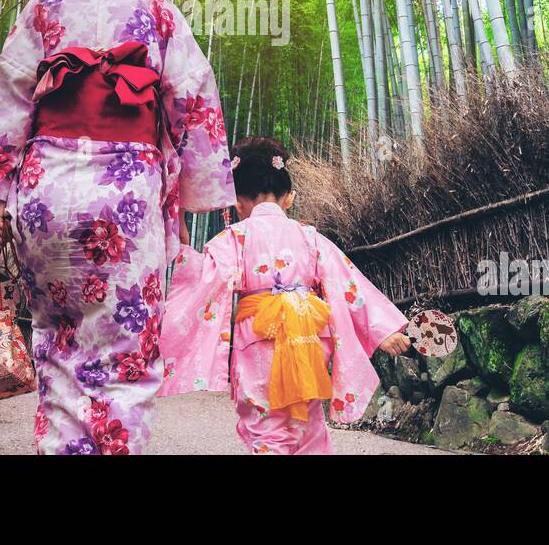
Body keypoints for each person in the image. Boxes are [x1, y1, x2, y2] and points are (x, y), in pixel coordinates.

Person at [0, 0, 234, 454]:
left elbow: (7, 96)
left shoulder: (44, 8)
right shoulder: (157, 12)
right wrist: (200, 188)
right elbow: (193, 100)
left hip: (44, 192)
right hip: (125, 196)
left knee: (56, 342)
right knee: (125, 350)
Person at [158, 137, 409, 454]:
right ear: (289, 198)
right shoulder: (309, 237)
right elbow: (346, 283)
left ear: (238, 203)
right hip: (308, 340)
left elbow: (204, 279)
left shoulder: (234, 237)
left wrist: (180, 234)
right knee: (308, 426)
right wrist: (382, 331)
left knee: (268, 430)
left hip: (261, 342)